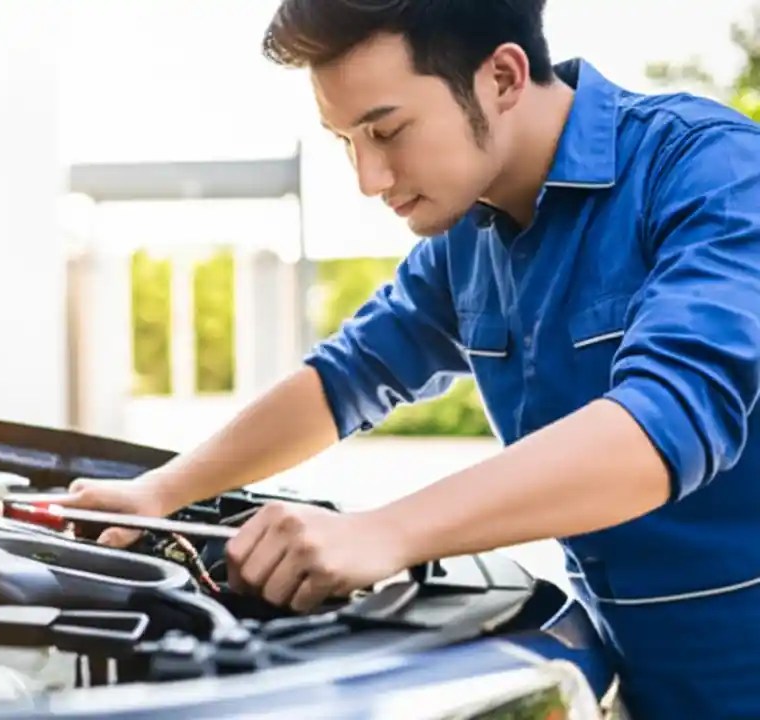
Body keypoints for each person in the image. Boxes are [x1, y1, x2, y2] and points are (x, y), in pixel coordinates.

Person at [58, 1, 760, 717]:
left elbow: (661, 429)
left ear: (504, 76)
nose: (368, 176)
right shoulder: (467, 240)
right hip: (629, 681)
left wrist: (384, 532)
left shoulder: (714, 173)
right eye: (345, 140)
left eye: (387, 130)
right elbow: (348, 374)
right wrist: (163, 492)